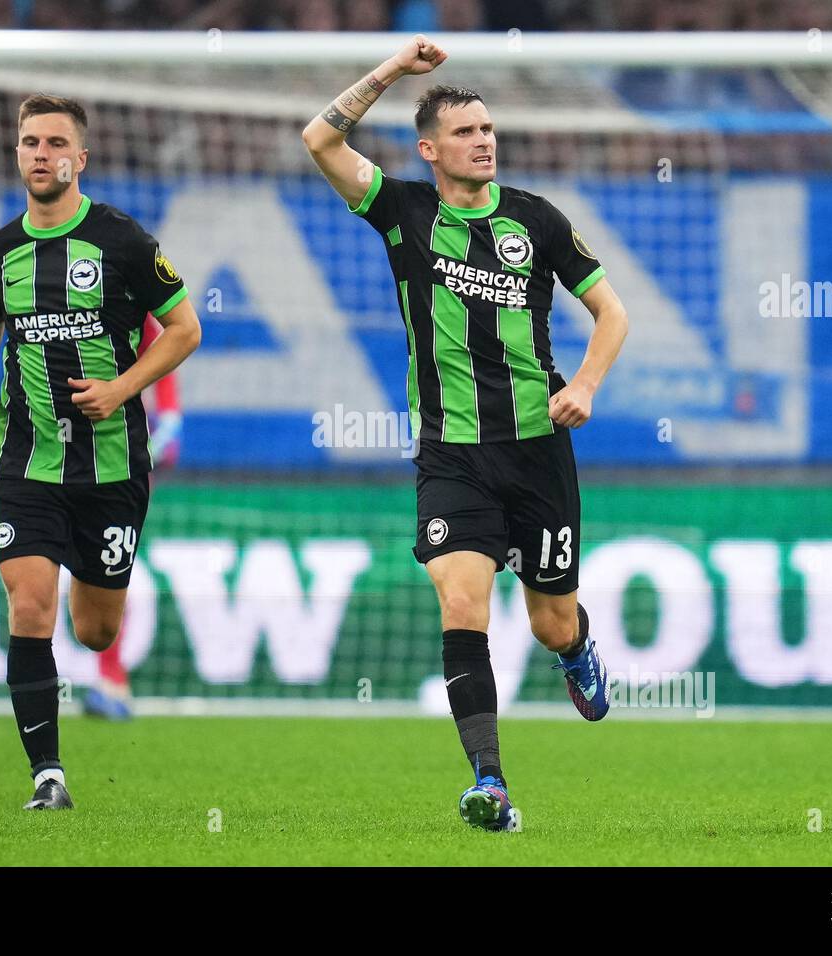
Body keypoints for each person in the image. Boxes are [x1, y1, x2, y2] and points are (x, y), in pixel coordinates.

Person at [302, 36, 629, 831]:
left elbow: (612, 312)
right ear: (430, 149)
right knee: (461, 601)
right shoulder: (403, 211)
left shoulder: (536, 220)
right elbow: (319, 139)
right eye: (465, 131)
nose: (483, 140)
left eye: (488, 129)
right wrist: (390, 72)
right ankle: (491, 782)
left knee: (552, 617)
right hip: (451, 455)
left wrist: (583, 385)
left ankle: (575, 650)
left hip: (536, 449)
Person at [0, 93, 201, 809]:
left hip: (112, 464)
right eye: (30, 142)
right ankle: (47, 775)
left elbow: (183, 330)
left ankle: (92, 682)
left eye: (56, 143)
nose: (41, 154)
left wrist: (122, 387)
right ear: (17, 152)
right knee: (30, 607)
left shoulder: (123, 241)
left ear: (80, 158)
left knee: (95, 631)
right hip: (24, 461)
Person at [83, 317, 184, 721]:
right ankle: (97, 680)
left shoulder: (145, 327)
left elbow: (172, 424)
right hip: (64, 462)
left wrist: (136, 455)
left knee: (109, 568)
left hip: (119, 468)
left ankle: (112, 680)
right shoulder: (64, 315)